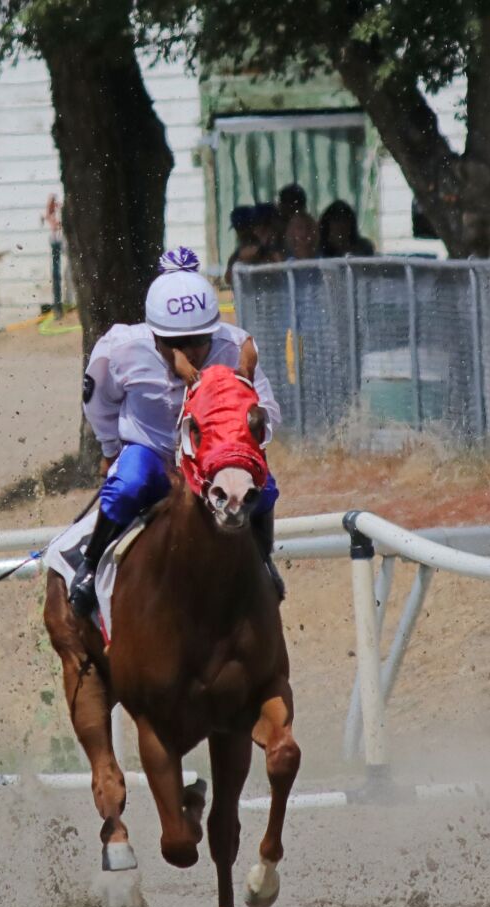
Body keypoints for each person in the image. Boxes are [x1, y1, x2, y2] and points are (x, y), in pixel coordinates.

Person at [69, 248, 283, 617]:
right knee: (128, 485)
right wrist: (109, 448)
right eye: (176, 343)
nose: (193, 351)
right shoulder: (120, 351)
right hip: (152, 450)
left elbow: (270, 412)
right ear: (154, 334)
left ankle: (264, 563)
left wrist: (242, 407)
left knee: (265, 490)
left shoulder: (233, 348)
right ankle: (89, 567)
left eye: (201, 339)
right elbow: (98, 403)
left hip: (213, 458)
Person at [276, 184, 319, 261]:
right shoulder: (275, 236)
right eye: (287, 202)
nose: (304, 233)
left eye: (296, 203)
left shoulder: (322, 261)